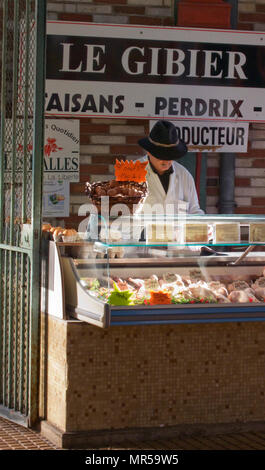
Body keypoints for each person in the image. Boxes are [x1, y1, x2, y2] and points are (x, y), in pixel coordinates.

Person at [138, 120, 204, 215]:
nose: (166, 161)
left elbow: (194, 211)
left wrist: (204, 226)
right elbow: (123, 215)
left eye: (170, 156)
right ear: (149, 152)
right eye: (161, 156)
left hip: (178, 230)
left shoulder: (184, 175)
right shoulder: (131, 174)